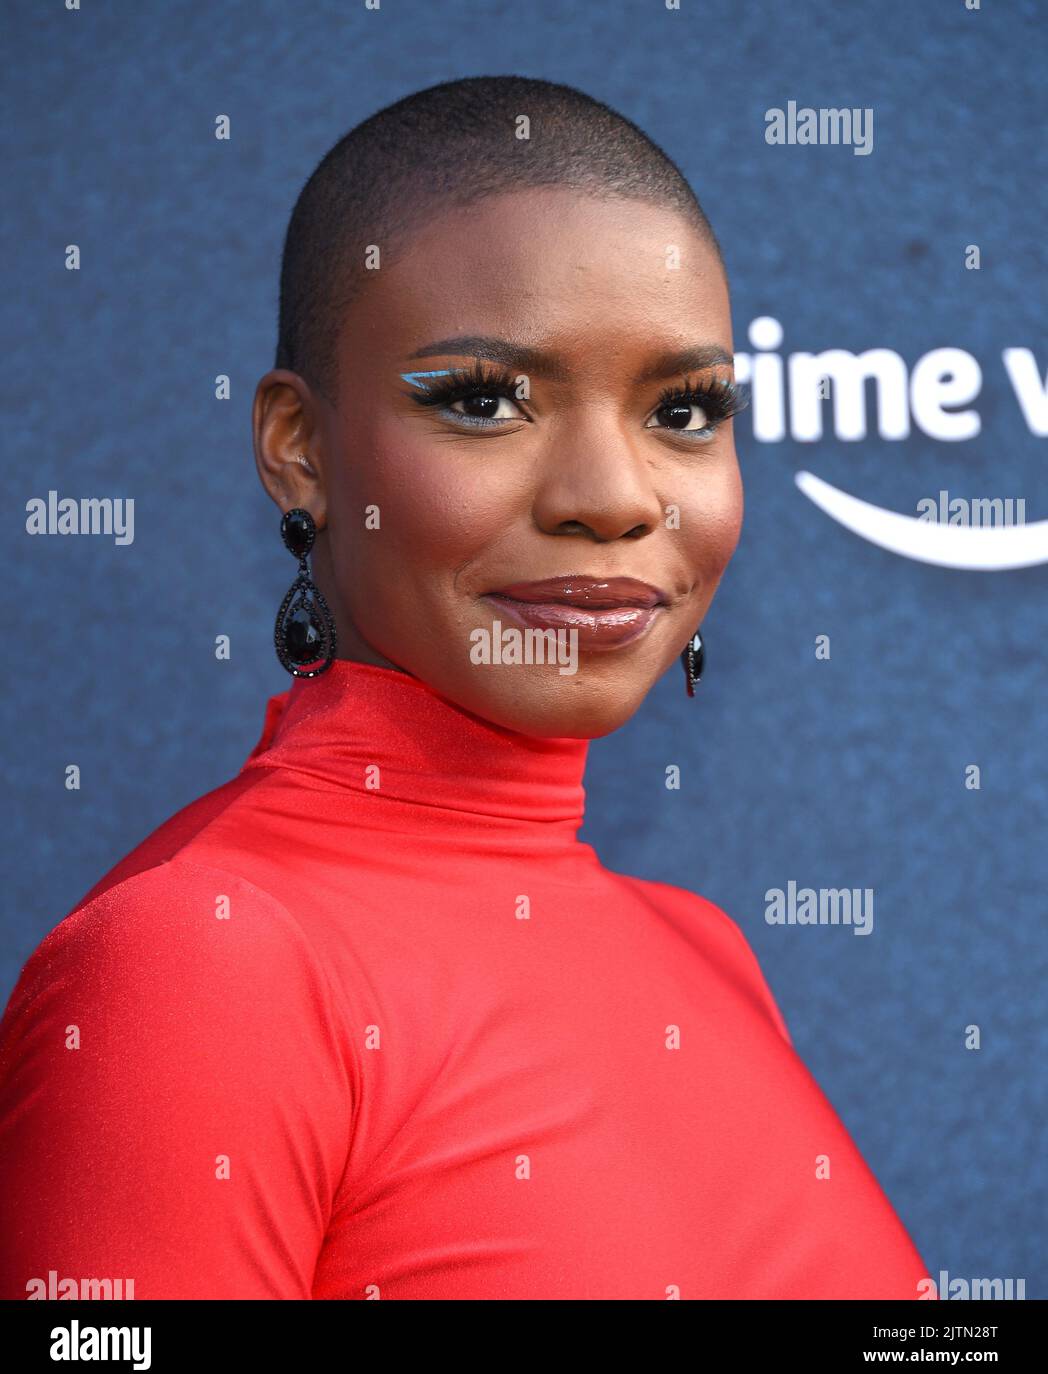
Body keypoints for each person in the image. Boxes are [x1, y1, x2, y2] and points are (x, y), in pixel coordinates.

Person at [0, 76, 931, 1300]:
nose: (612, 494)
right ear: (301, 449)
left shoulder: (703, 947)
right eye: (486, 400)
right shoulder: (201, 963)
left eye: (684, 410)